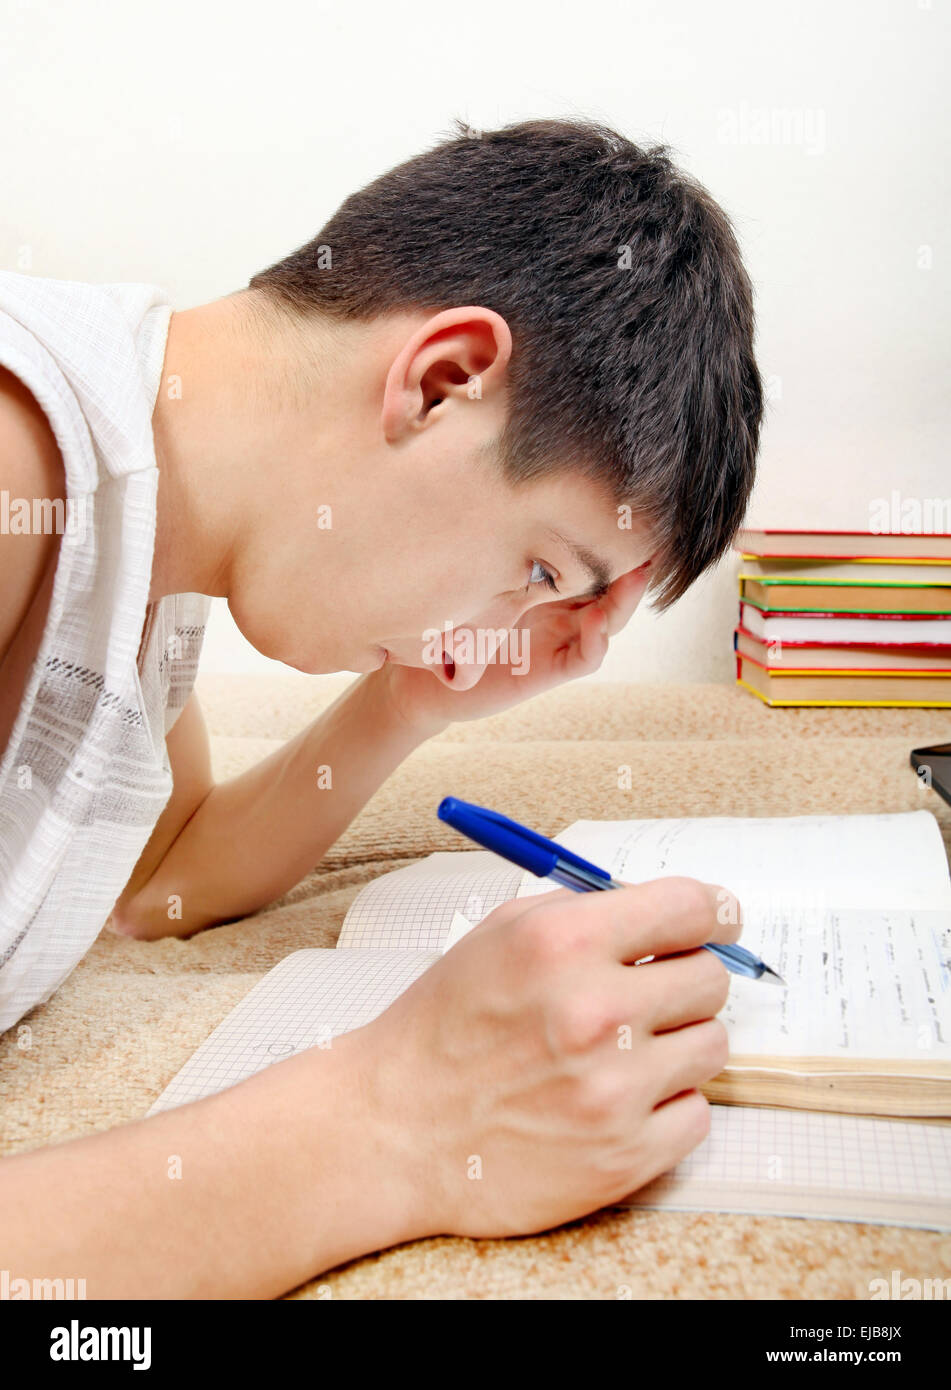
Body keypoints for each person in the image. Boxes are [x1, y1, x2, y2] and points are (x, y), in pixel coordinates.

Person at [0, 116, 761, 1297]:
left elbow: (157, 883)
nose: (519, 619)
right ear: (444, 378)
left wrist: (408, 701)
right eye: (547, 570)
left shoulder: (148, 522)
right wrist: (394, 1121)